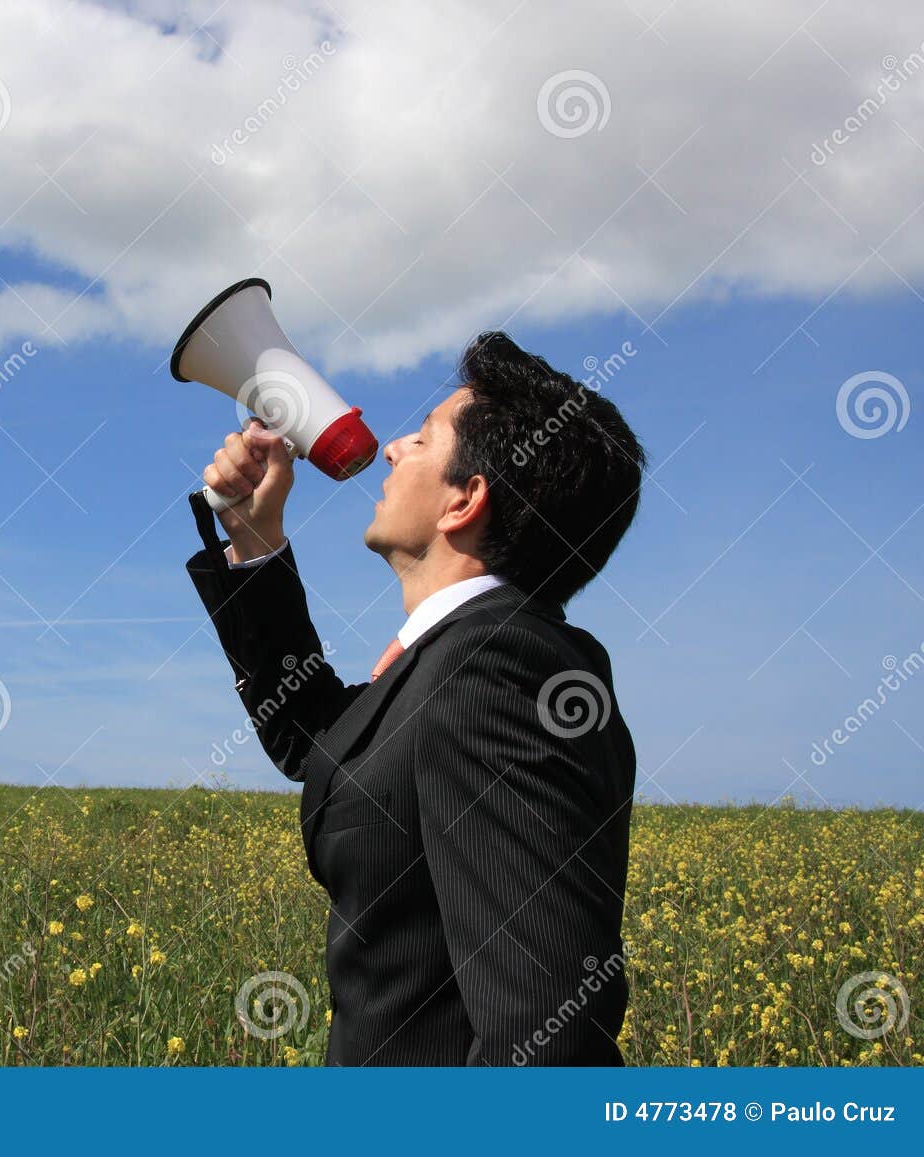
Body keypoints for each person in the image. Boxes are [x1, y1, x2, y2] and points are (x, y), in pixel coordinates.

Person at [186, 331, 644, 1065]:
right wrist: (253, 534)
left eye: (425, 437)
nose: (393, 447)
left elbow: (548, 1035)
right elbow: (319, 739)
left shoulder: (494, 673)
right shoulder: (469, 662)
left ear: (465, 500)